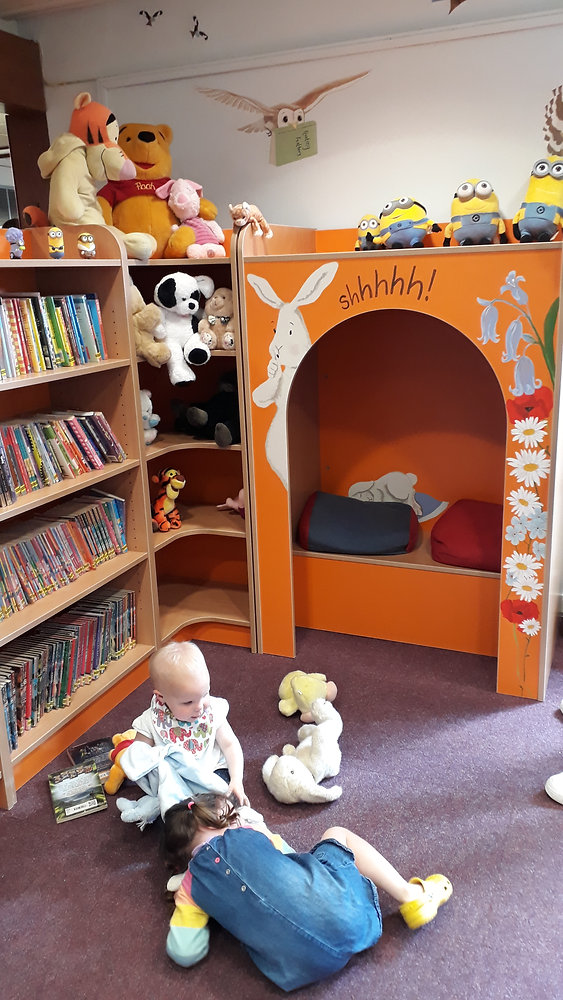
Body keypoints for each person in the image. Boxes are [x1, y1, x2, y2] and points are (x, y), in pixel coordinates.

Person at [163, 793, 453, 992]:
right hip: (352, 921)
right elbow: (294, 859)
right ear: (219, 820)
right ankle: (409, 895)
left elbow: (184, 952)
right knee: (337, 834)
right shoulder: (249, 832)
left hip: (298, 970)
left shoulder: (190, 887)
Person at [132, 640, 248, 806]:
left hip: (212, 772)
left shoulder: (213, 710)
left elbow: (230, 745)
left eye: (205, 694)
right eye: (188, 702)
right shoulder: (150, 721)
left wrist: (237, 780)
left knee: (221, 805)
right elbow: (139, 756)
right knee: (170, 817)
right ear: (160, 697)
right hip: (176, 782)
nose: (200, 707)